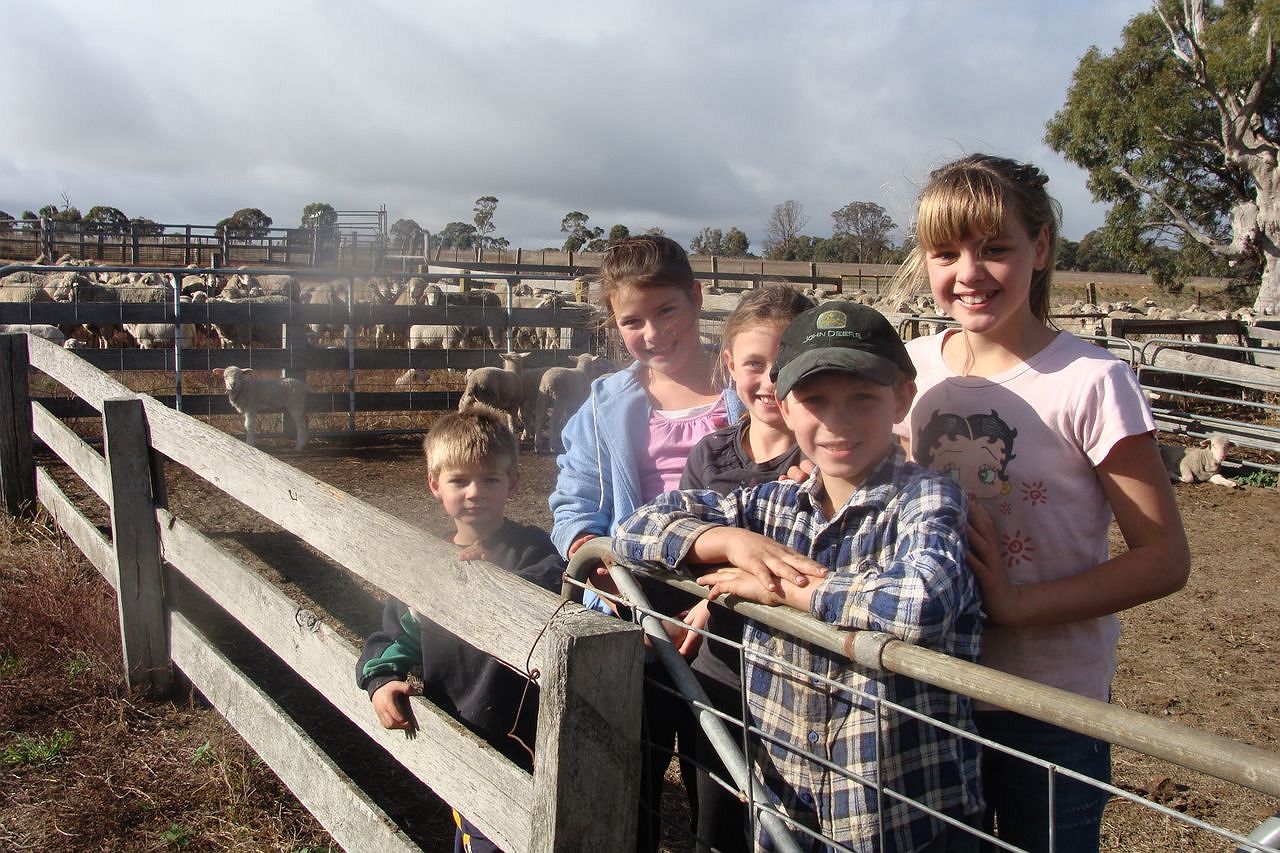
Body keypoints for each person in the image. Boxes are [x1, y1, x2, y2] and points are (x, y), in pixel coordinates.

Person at [891, 153, 1191, 853]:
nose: (969, 273)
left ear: (1043, 247)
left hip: (1049, 702)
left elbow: (1163, 559)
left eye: (996, 248)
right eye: (946, 253)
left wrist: (1017, 605)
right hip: (929, 682)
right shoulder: (912, 370)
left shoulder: (1090, 381)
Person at [614, 301, 985, 852]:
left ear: (902, 397)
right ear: (785, 407)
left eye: (862, 398)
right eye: (814, 401)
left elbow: (921, 602)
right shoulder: (770, 506)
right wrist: (727, 541)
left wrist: (784, 589)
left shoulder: (927, 498)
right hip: (787, 808)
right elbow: (633, 529)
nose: (838, 422)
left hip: (898, 814)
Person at [548, 234, 747, 852]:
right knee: (626, 778)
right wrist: (591, 554)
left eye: (666, 311)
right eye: (632, 321)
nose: (653, 333)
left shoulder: (744, 392)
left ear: (696, 297)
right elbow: (573, 498)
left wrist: (719, 600)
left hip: (726, 613)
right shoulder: (606, 404)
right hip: (632, 610)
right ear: (613, 323)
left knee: (724, 786)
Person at [356, 405, 563, 853]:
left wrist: (500, 582)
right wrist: (380, 679)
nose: (475, 493)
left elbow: (556, 585)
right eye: (459, 480)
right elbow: (395, 636)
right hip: (461, 728)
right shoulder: (429, 564)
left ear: (513, 482)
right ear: (435, 485)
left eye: (490, 479)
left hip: (525, 736)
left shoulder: (533, 550)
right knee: (473, 829)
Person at [678, 283, 815, 853]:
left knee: (790, 823)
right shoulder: (711, 454)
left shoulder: (827, 459)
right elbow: (679, 542)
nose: (770, 381)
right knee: (715, 819)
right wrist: (707, 591)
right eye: (754, 364)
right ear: (730, 364)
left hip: (795, 681)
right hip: (718, 669)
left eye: (785, 364)